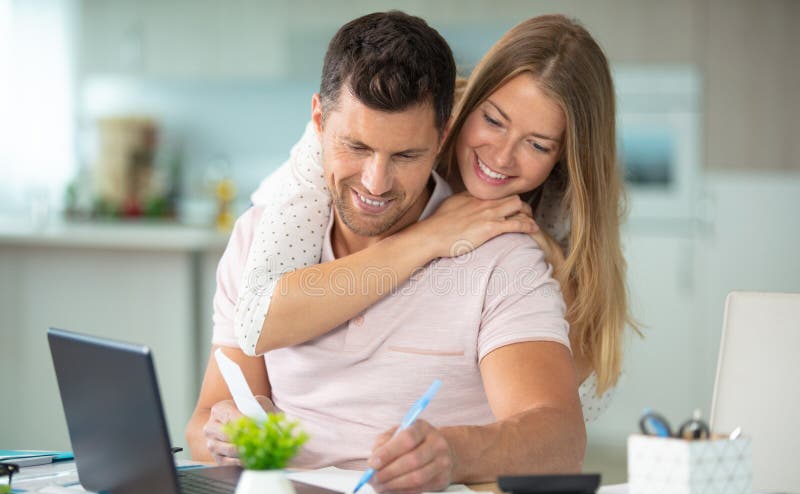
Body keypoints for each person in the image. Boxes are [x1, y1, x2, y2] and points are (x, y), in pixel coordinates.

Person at [187, 10, 585, 494]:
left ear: (443, 136)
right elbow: (205, 421)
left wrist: (456, 453)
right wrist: (226, 439)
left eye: (405, 156)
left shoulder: (500, 256)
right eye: (354, 146)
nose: (375, 183)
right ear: (318, 122)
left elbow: (560, 439)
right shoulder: (260, 240)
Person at [235, 13, 635, 422]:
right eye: (493, 121)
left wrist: (544, 264)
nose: (500, 157)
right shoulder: (370, 130)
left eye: (537, 145)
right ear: (464, 107)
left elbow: (566, 410)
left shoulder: (556, 218)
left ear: (564, 158)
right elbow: (256, 323)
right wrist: (432, 235)